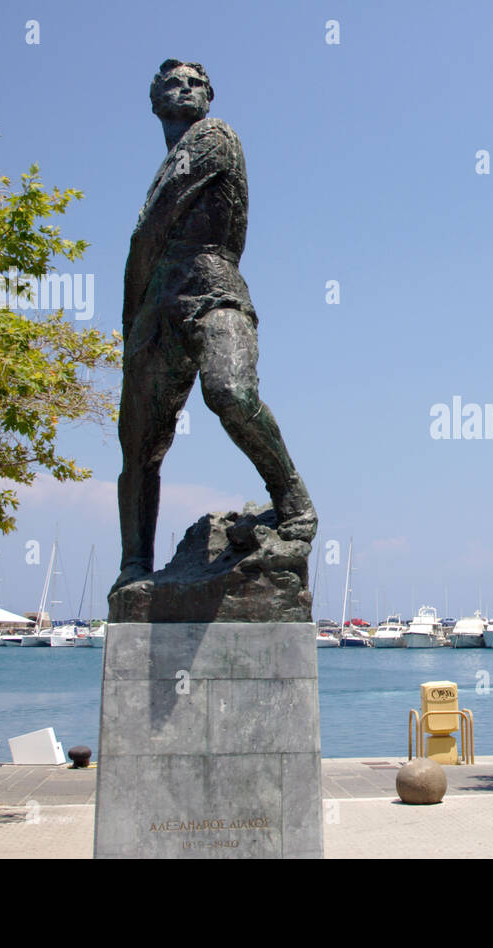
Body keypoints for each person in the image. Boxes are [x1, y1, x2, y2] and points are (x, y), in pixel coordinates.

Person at [112, 59, 317, 592]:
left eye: (195, 83)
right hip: (158, 308)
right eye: (171, 83)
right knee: (139, 445)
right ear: (154, 101)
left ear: (209, 97)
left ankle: (295, 506)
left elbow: (148, 233)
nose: (184, 88)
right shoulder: (167, 163)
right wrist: (137, 331)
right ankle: (134, 565)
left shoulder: (214, 137)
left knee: (230, 391)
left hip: (213, 287)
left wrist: (130, 320)